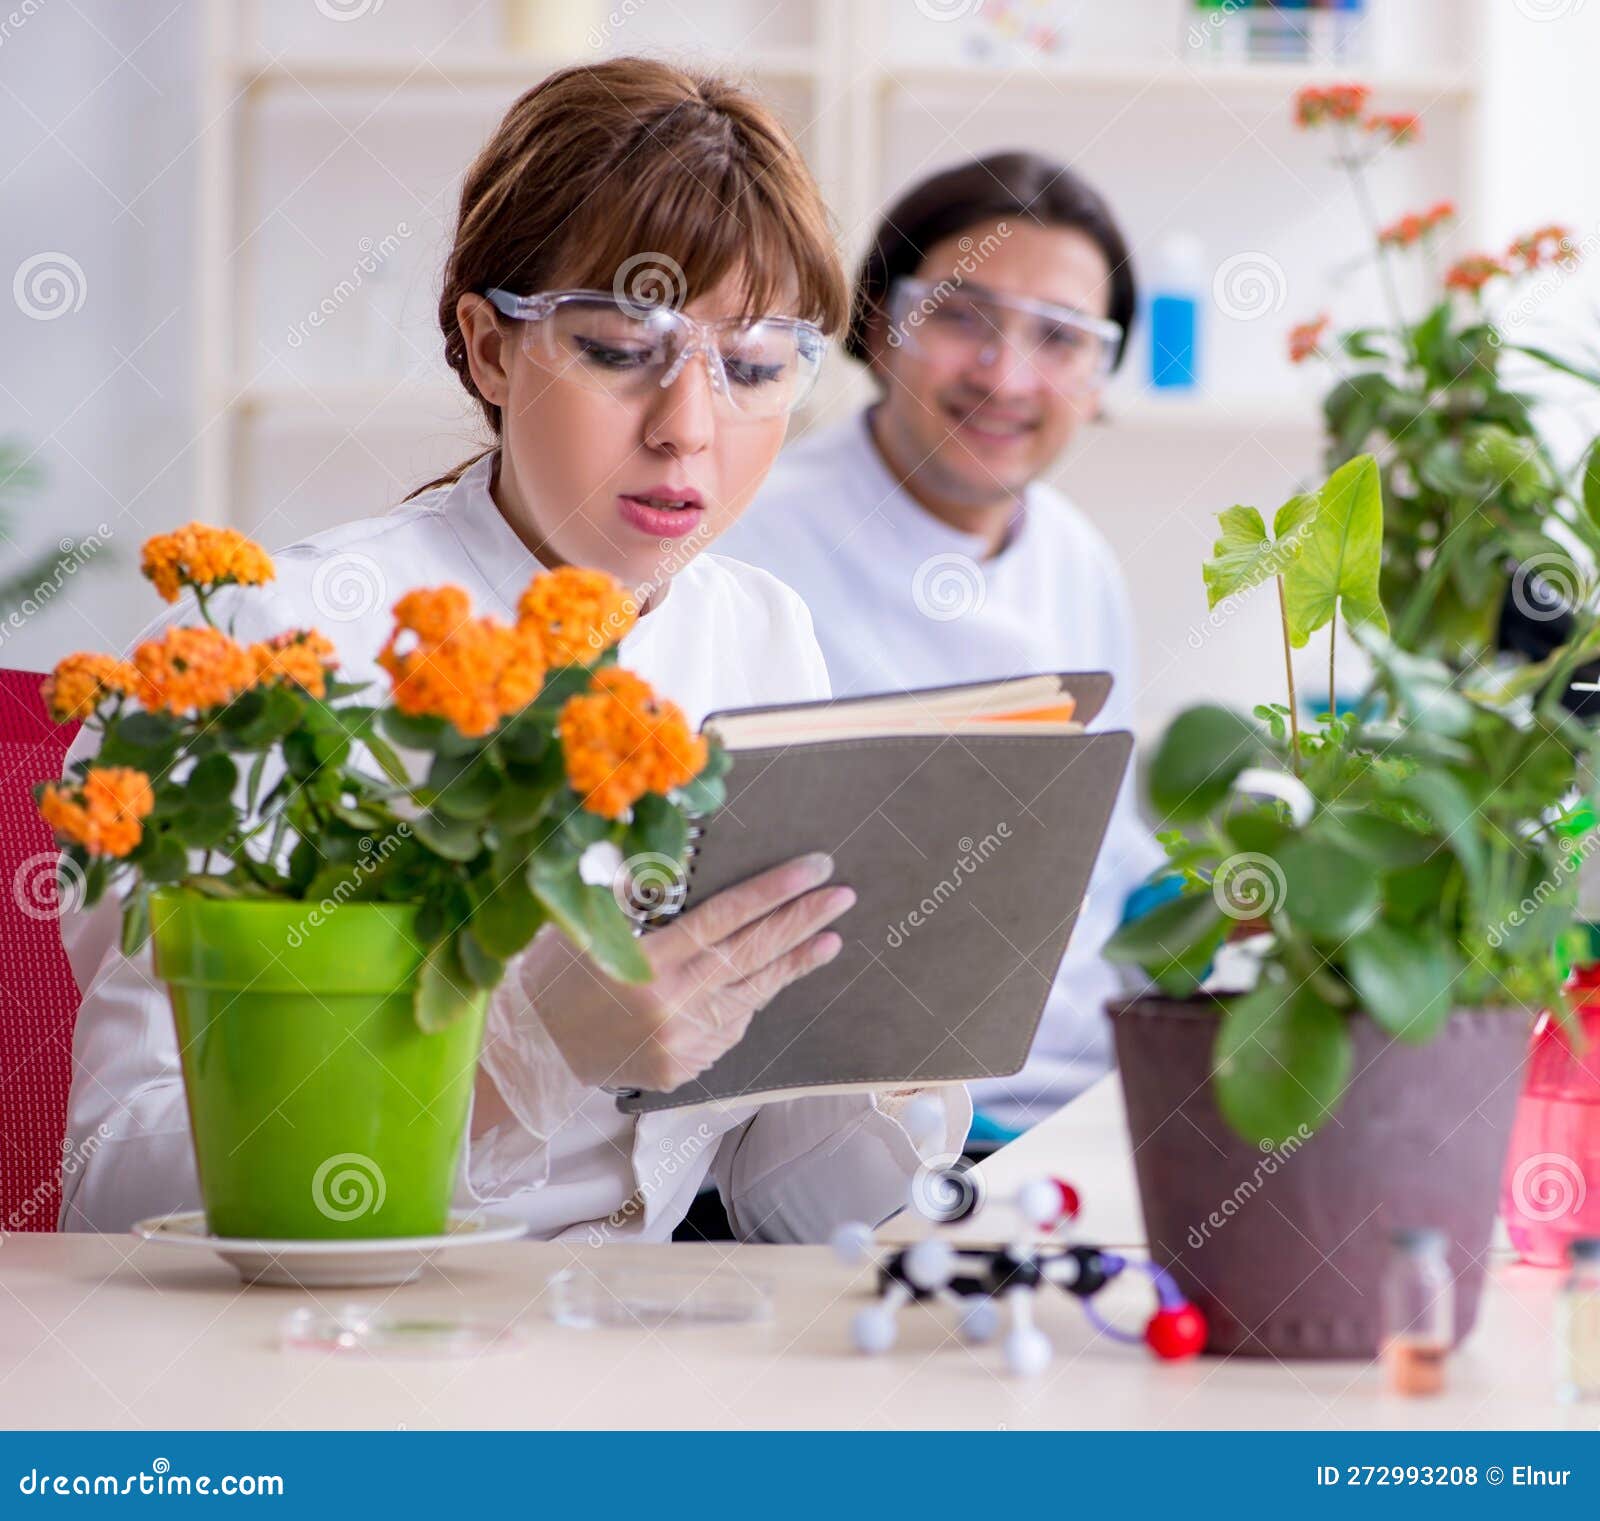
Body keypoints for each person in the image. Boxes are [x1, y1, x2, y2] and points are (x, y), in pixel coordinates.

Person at [57, 59, 969, 1241]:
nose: (688, 428)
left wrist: (895, 1044)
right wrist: (516, 1062)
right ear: (490, 351)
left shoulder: (758, 633)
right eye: (617, 349)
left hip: (654, 1341)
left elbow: (780, 1206)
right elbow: (112, 1187)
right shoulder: (263, 649)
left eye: (751, 369)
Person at [719, 153, 1163, 1137]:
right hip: (855, 1124)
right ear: (879, 326)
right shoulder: (748, 544)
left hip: (1101, 1097)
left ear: (1097, 378)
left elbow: (1116, 864)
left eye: (1060, 339)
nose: (1005, 376)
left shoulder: (1078, 560)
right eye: (960, 316)